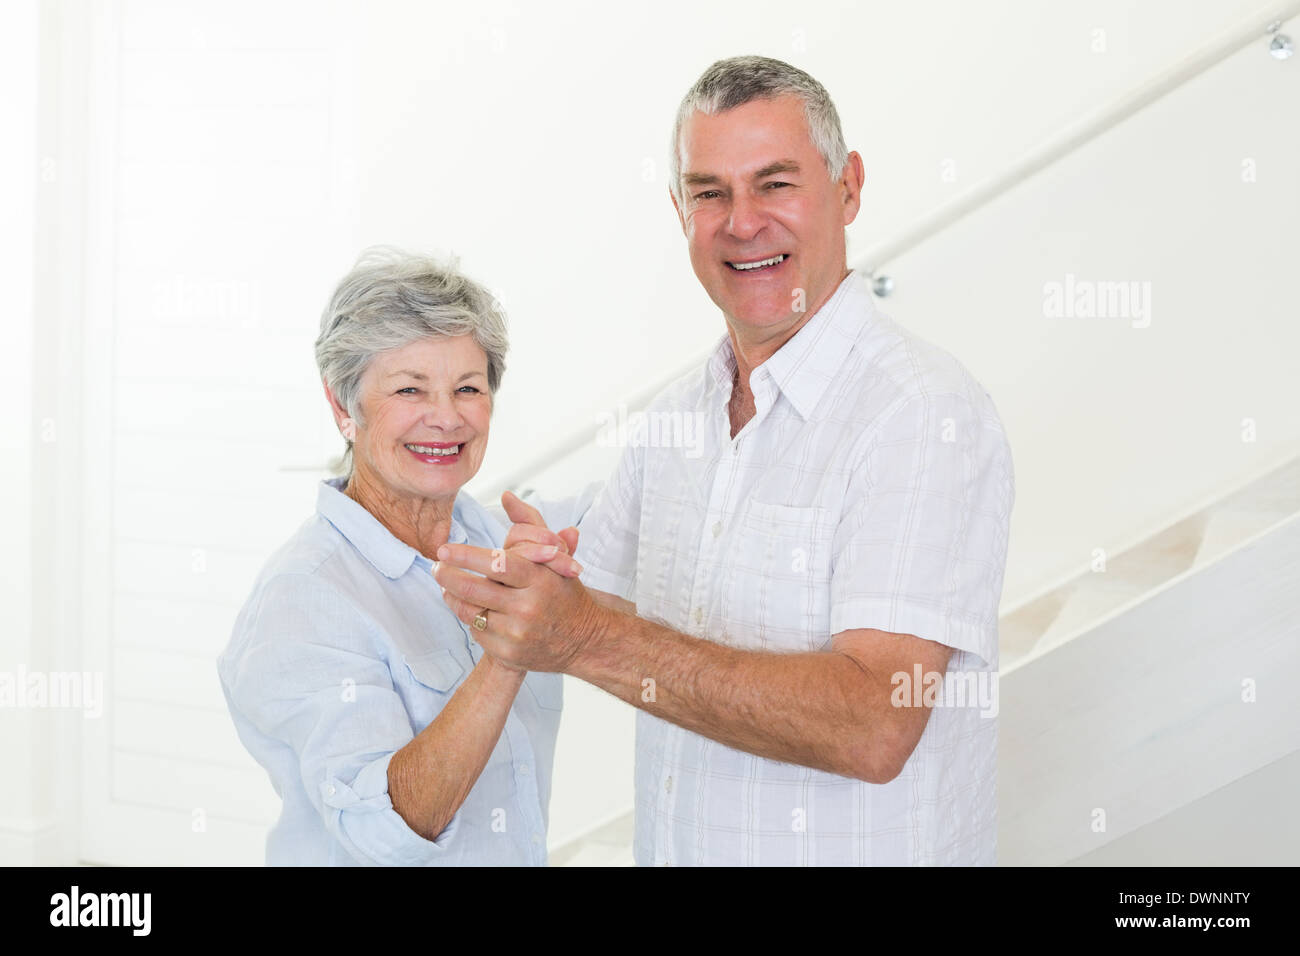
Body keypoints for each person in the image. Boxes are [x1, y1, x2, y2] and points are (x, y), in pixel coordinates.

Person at [433, 55, 1015, 866]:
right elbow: (580, 593)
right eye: (710, 192)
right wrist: (521, 577)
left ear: (847, 187)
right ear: (680, 210)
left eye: (775, 184)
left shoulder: (919, 413)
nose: (742, 222)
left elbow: (876, 723)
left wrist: (583, 637)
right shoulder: (677, 421)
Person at [217, 249, 589, 866]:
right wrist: (507, 653)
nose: (445, 418)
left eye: (467, 388)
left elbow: (637, 512)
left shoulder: (498, 536)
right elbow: (384, 830)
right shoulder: (306, 595)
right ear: (344, 408)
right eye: (410, 388)